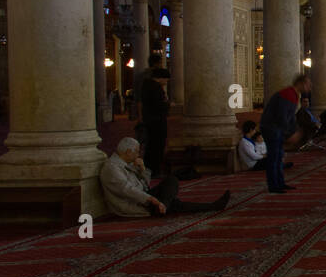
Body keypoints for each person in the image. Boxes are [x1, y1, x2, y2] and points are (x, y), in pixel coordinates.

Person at [99, 137, 228, 217]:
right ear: (128, 152)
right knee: (176, 203)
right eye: (137, 151)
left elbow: (146, 185)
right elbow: (128, 190)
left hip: (145, 197)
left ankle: (164, 206)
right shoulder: (112, 168)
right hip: (137, 204)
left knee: (172, 181)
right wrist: (153, 200)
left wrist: (142, 170)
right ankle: (212, 206)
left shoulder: (126, 163)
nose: (139, 154)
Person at [260, 73, 310, 193]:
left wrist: (294, 131)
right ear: (300, 83)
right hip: (271, 128)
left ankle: (280, 183)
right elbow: (282, 116)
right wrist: (290, 133)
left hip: (276, 128)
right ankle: (274, 185)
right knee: (274, 157)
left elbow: (290, 117)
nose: (309, 87)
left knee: (279, 156)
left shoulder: (293, 94)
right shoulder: (287, 94)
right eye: (308, 84)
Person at [139, 67, 171, 174]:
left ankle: (149, 168)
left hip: (149, 120)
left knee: (150, 145)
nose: (166, 82)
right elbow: (160, 105)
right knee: (157, 145)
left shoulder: (146, 86)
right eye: (166, 80)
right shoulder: (156, 88)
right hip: (157, 121)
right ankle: (155, 169)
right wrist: (167, 103)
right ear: (160, 78)